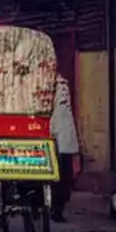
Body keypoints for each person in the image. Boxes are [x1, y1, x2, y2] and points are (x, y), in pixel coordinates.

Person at [50, 72, 81, 222]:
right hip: (58, 136)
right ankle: (55, 208)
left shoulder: (56, 85)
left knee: (61, 175)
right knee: (61, 175)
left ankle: (56, 208)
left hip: (58, 136)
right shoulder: (59, 85)